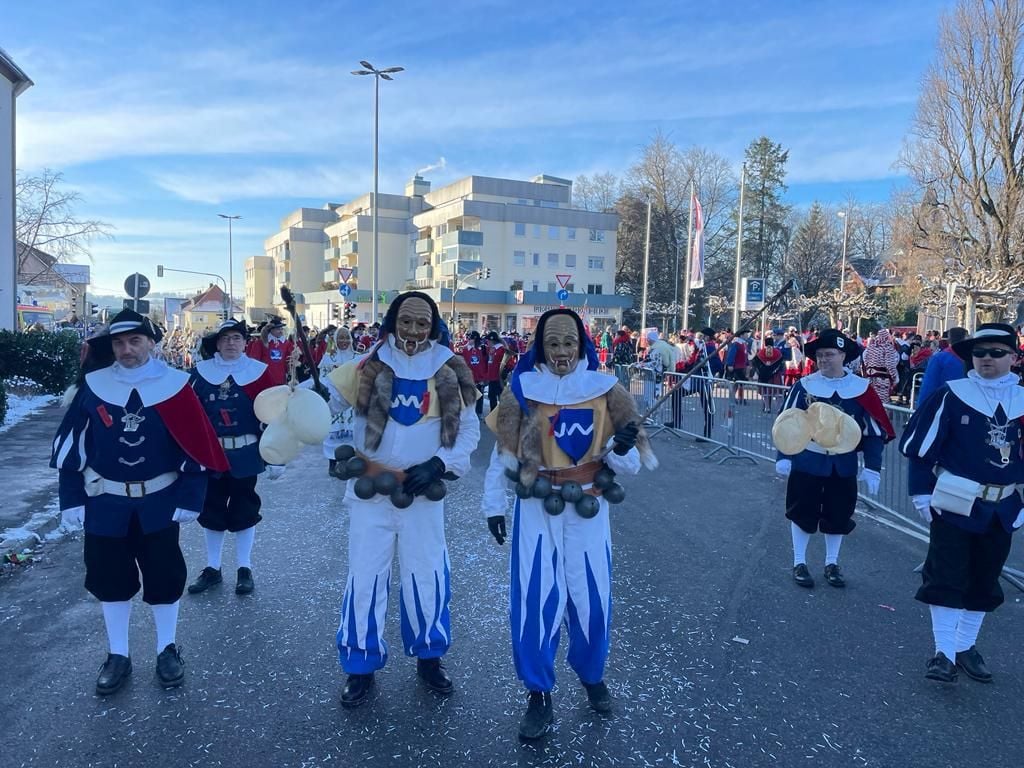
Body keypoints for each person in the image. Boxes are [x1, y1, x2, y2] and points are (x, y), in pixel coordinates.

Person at [481, 308, 658, 740]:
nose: (561, 351)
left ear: (581, 346)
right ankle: (538, 693)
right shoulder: (522, 389)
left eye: (569, 343)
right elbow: (503, 455)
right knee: (536, 600)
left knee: (591, 599)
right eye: (553, 343)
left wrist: (621, 447)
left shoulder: (606, 390)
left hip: (588, 509)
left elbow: (631, 467)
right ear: (542, 348)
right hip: (536, 508)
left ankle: (592, 675)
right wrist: (493, 505)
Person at [50, 309, 229, 695]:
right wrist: (71, 498)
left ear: (151, 343)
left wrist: (192, 495)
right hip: (105, 503)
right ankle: (118, 654)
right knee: (109, 579)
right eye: (119, 342)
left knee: (164, 577)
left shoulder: (176, 386)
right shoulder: (94, 386)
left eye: (134, 341)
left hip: (159, 502)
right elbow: (72, 445)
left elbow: (195, 443)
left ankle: (167, 648)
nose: (127, 349)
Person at [327, 292, 481, 708]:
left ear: (433, 326)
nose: (413, 330)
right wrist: (300, 391)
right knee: (365, 577)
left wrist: (440, 463)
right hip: (370, 493)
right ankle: (360, 665)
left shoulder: (451, 368)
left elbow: (469, 430)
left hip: (422, 494)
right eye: (406, 321)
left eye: (422, 322)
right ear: (393, 322)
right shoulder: (368, 364)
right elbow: (324, 406)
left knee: (426, 576)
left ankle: (430, 658)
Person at [899, 323, 1024, 684]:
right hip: (954, 503)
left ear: (1014, 358)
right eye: (979, 352)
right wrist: (921, 493)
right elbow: (920, 449)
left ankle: (965, 645)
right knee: (946, 576)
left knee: (984, 579)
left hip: (1002, 508)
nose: (987, 359)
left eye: (996, 352)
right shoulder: (951, 395)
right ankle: (944, 653)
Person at [774, 328, 894, 588]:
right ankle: (799, 562)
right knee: (802, 513)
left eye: (829, 354)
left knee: (838, 515)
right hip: (808, 461)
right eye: (819, 355)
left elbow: (873, 432)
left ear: (843, 355)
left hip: (843, 464)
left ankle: (832, 563)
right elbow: (787, 423)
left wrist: (873, 467)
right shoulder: (804, 386)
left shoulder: (861, 389)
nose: (823, 360)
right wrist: (783, 455)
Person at [186, 319, 280, 597]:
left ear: (245, 342)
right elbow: (188, 417)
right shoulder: (199, 374)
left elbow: (273, 416)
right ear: (217, 343)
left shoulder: (259, 373)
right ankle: (212, 568)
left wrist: (276, 456)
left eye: (236, 338)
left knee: (244, 510)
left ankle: (244, 568)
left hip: (246, 453)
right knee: (211, 510)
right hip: (211, 454)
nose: (231, 343)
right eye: (225, 338)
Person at [917, 327, 969, 405]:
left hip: (951, 404)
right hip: (953, 405)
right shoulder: (940, 359)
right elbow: (928, 387)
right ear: (965, 339)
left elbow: (927, 387)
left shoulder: (939, 358)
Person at [247, 316, 294, 386]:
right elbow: (254, 361)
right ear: (271, 330)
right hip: (264, 379)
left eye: (281, 329)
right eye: (278, 329)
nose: (281, 331)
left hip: (281, 379)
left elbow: (289, 360)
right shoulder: (260, 343)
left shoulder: (286, 343)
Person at [861, 329, 900, 404]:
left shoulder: (870, 347)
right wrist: (895, 378)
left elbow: (865, 359)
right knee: (882, 403)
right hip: (882, 379)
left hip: (869, 378)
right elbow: (890, 365)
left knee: (871, 401)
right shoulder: (888, 348)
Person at [751, 336, 785, 413]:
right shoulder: (777, 352)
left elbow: (755, 363)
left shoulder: (761, 352)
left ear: (765, 343)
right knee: (777, 392)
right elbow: (781, 364)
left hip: (764, 376)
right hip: (775, 376)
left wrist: (760, 371)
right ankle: (778, 408)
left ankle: (767, 408)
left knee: (765, 392)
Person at [725, 329, 751, 403]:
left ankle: (740, 397)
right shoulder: (736, 344)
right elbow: (731, 354)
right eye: (746, 334)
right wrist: (730, 364)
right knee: (736, 383)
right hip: (736, 367)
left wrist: (747, 363)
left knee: (741, 383)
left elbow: (745, 355)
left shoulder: (744, 344)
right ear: (741, 335)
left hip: (742, 366)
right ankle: (733, 397)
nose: (747, 335)